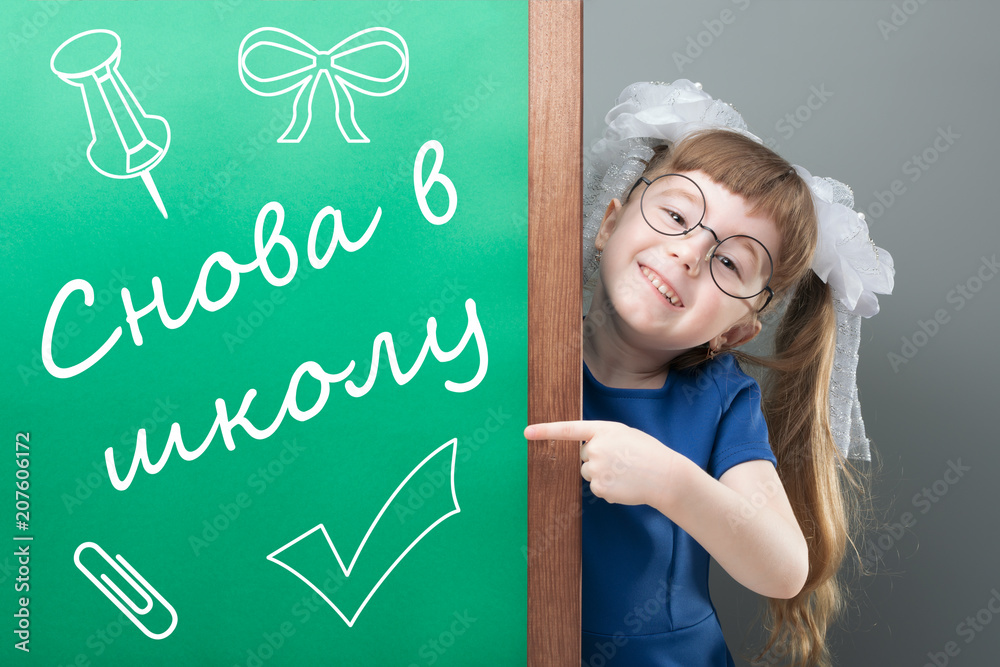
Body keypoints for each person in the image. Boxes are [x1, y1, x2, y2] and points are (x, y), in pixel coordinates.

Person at [524, 80, 894, 667]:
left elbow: (784, 566)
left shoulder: (721, 400)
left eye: (728, 261)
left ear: (738, 331)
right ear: (609, 223)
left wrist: (671, 482)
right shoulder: (517, 346)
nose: (689, 254)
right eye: (675, 214)